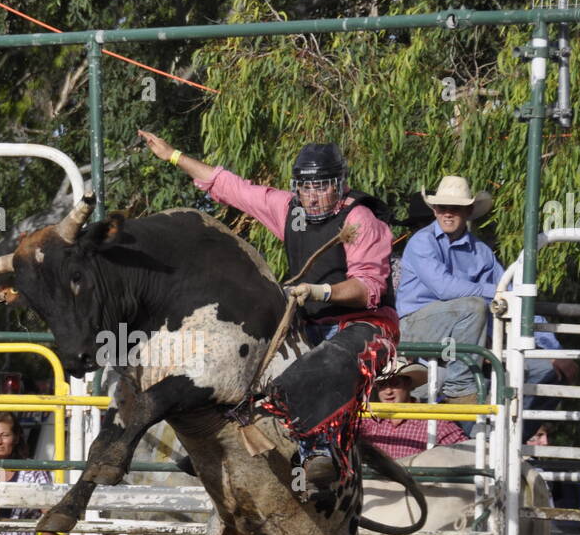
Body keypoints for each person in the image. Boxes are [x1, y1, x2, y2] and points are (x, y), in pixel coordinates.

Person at [137, 130, 397, 485]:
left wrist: (318, 291)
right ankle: (217, 445)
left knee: (321, 363)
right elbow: (227, 186)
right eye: (306, 188)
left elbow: (368, 288)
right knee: (240, 356)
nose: (313, 196)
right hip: (309, 319)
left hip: (367, 324)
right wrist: (172, 154)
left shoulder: (361, 220)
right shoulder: (289, 208)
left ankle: (318, 454)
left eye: (322, 186)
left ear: (340, 184)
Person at [396, 176, 501, 404]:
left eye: (456, 208)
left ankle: (469, 396)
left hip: (455, 336)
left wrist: (546, 344)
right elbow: (445, 289)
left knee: (531, 368)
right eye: (443, 207)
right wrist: (493, 291)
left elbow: (509, 291)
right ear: (434, 210)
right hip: (413, 326)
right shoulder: (421, 242)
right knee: (474, 307)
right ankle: (460, 388)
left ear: (468, 211)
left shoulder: (482, 252)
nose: (448, 213)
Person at [357, 360, 466, 460]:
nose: (388, 391)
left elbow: (466, 452)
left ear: (408, 384)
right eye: (382, 385)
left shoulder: (435, 423)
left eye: (395, 383)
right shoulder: (366, 421)